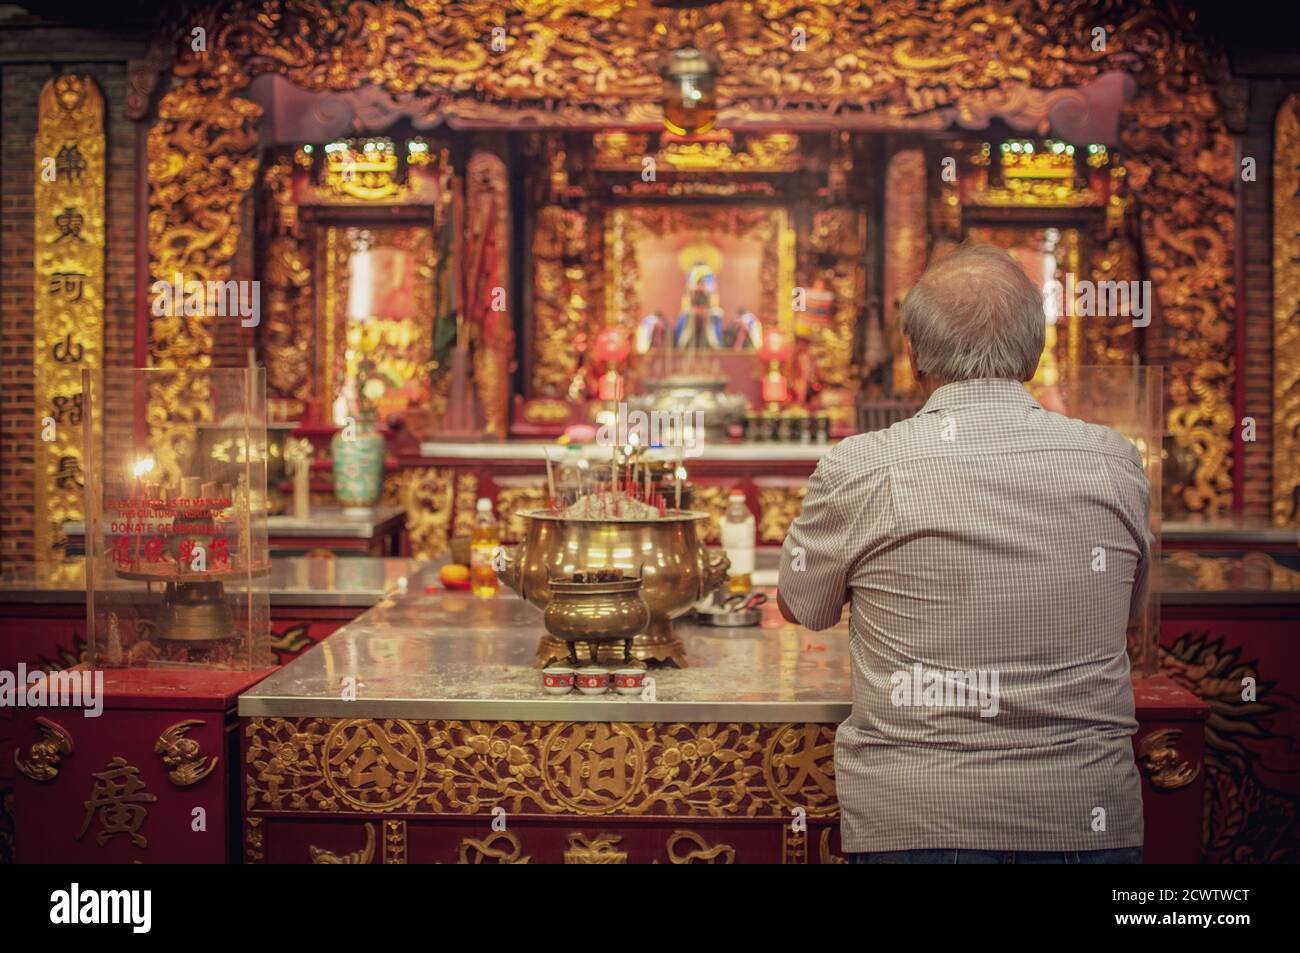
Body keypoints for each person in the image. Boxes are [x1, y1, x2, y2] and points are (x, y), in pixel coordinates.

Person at [777, 243, 1149, 864]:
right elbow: (1128, 609)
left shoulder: (863, 466)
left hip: (921, 817)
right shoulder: (1113, 462)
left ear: (914, 355)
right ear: (1034, 353)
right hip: (1085, 813)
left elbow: (802, 606)